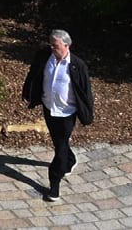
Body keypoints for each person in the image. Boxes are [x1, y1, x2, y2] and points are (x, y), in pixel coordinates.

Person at [21, 28, 95, 203]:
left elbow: (86, 92)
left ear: (66, 46)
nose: (52, 49)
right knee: (58, 143)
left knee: (60, 147)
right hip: (49, 109)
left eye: (55, 46)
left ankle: (54, 185)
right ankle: (70, 159)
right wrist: (27, 92)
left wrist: (87, 113)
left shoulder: (78, 65)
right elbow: (33, 74)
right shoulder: (45, 57)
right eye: (51, 45)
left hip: (67, 114)